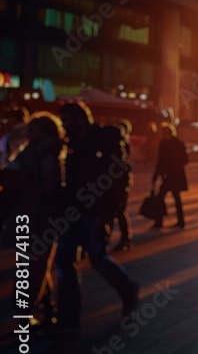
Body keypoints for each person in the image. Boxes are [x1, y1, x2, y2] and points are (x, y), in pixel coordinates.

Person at [53, 102, 139, 332]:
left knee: (97, 257)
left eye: (67, 120)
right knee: (65, 260)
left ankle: (127, 288)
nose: (64, 125)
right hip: (74, 211)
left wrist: (109, 210)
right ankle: (68, 317)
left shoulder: (103, 139)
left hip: (94, 211)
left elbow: (119, 176)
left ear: (80, 119)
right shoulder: (73, 143)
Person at [3, 112, 65, 325]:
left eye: (33, 130)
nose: (29, 134)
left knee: (34, 263)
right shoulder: (48, 151)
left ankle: (31, 307)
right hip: (37, 214)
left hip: (37, 214)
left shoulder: (41, 153)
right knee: (37, 263)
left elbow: (49, 186)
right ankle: (42, 307)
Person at [151, 123, 189, 229]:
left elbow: (185, 160)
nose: (165, 135)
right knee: (162, 198)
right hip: (168, 177)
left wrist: (172, 168)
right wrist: (156, 176)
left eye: (167, 133)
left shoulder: (177, 144)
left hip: (175, 177)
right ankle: (161, 221)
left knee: (175, 199)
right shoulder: (163, 144)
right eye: (164, 133)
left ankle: (179, 222)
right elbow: (160, 162)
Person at [110, 119, 134, 251]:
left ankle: (125, 238)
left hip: (119, 185)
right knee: (117, 212)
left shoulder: (122, 145)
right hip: (117, 184)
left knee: (119, 212)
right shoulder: (121, 144)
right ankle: (124, 238)